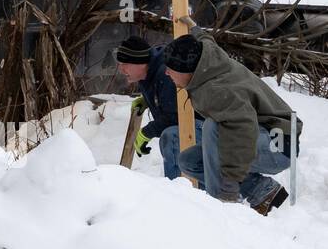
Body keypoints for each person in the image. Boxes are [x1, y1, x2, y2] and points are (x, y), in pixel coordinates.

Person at [164, 24, 303, 214]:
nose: (166, 73)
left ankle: (221, 207)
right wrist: (194, 28)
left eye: (170, 68)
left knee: (213, 128)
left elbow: (243, 130)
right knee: (189, 161)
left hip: (279, 144)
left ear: (187, 70)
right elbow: (206, 40)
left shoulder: (218, 89)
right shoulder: (208, 60)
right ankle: (263, 190)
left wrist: (229, 183)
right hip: (261, 134)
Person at [115, 35, 198, 180]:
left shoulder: (165, 74)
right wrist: (147, 100)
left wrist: (147, 132)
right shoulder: (147, 72)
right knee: (171, 134)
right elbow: (168, 99)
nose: (120, 68)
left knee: (171, 135)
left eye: (125, 63)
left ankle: (180, 192)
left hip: (205, 128)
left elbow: (175, 117)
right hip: (195, 127)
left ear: (140, 62)